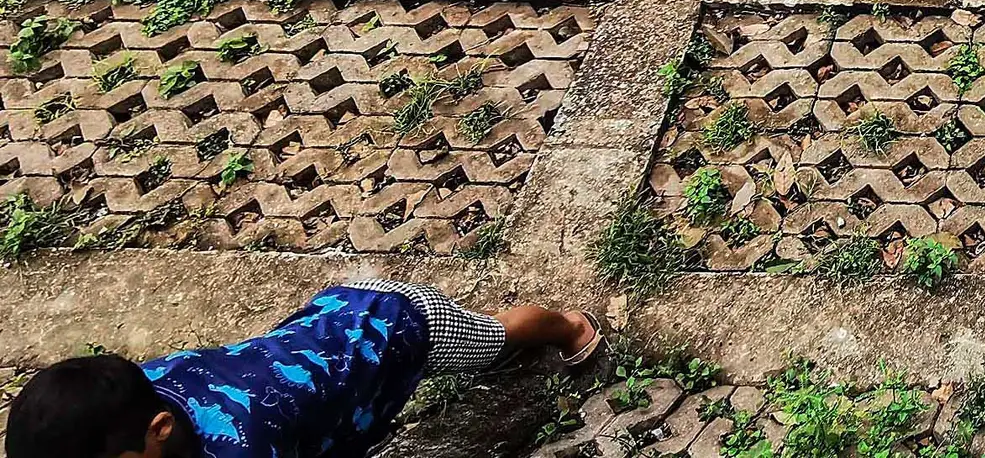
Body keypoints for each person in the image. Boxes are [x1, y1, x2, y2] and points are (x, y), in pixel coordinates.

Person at [5, 282, 598, 458]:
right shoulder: (139, 386)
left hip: (392, 325)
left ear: (160, 429)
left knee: (495, 338)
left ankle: (564, 325)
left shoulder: (245, 445)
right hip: (319, 332)